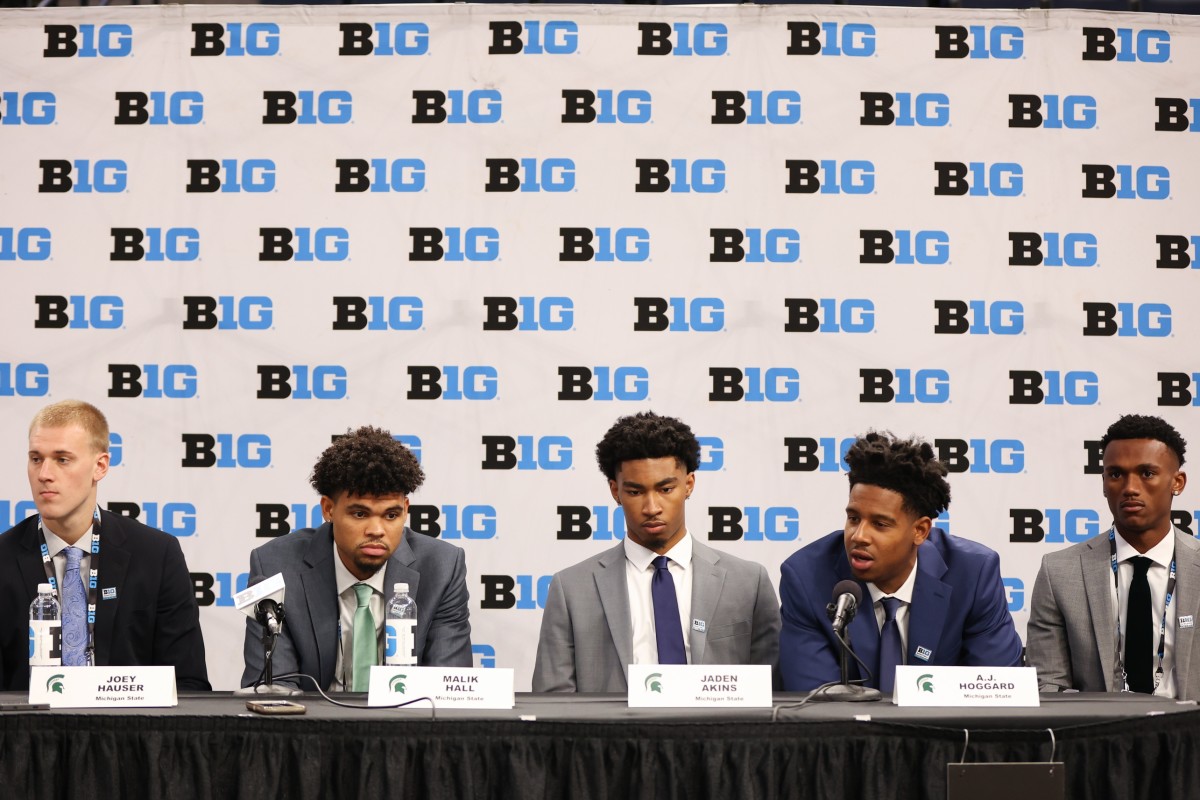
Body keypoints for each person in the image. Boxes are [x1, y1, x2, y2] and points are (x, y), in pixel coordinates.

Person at [533, 411, 780, 692]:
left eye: (665, 489)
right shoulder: (571, 589)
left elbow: (774, 694)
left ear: (688, 485)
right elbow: (553, 702)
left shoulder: (748, 582)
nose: (652, 507)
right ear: (615, 491)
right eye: (636, 492)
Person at [779, 431, 1022, 693]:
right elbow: (816, 705)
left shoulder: (973, 575)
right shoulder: (806, 578)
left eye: (880, 524)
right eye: (853, 518)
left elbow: (997, 694)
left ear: (920, 531)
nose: (859, 536)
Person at [241, 426, 472, 691]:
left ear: (406, 510)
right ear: (329, 509)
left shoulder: (442, 568)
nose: (376, 530)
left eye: (391, 515)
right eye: (360, 514)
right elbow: (275, 690)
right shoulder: (276, 567)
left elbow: (449, 690)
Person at [0, 400, 209, 690]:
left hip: (129, 732)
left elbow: (188, 684)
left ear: (100, 466)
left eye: (62, 459)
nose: (44, 474)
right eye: (36, 458)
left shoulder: (157, 554)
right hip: (28, 733)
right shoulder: (3, 559)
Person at [1027, 414, 1199, 698]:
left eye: (1147, 473)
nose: (1130, 488)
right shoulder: (1059, 572)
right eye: (1116, 474)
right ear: (1104, 482)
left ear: (1177, 482)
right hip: (1100, 736)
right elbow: (1047, 687)